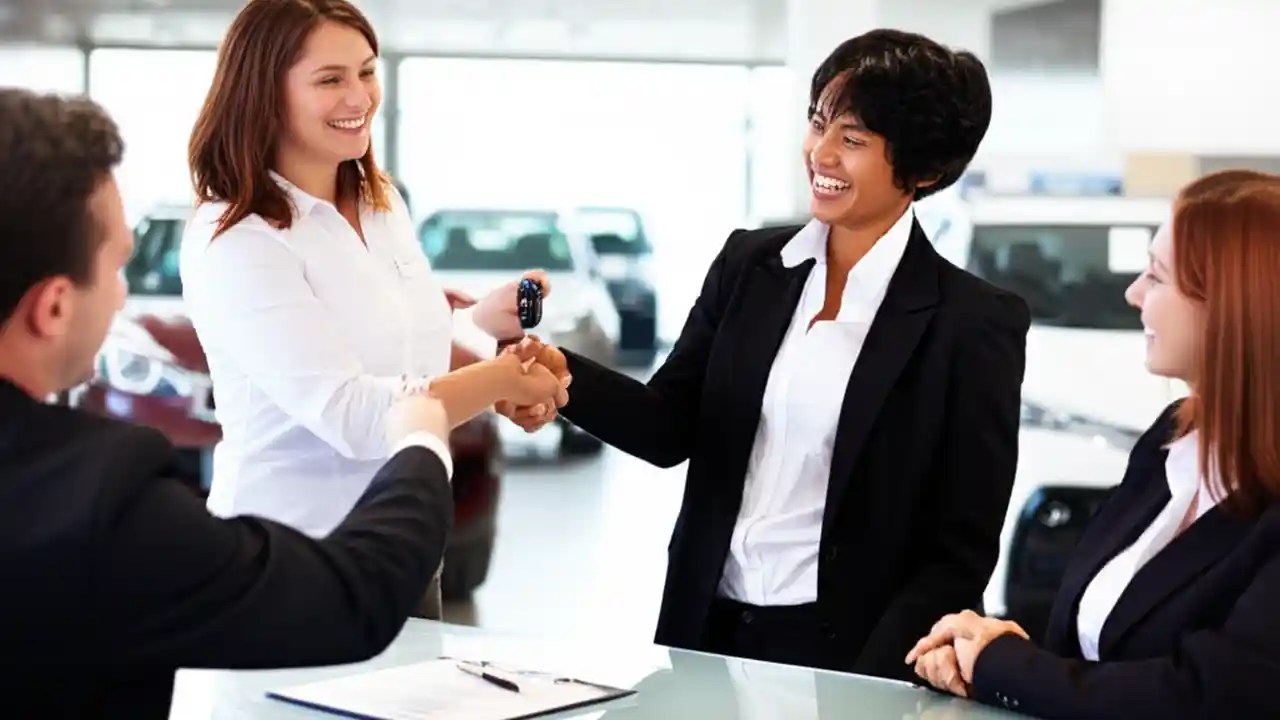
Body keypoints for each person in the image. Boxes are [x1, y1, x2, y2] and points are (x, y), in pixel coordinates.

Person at [502, 29, 1030, 681]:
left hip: (852, 655)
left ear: (922, 171)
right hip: (707, 630)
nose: (821, 154)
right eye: (818, 124)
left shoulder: (972, 323)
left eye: (854, 139)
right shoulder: (751, 265)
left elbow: (960, 551)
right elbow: (670, 423)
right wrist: (564, 377)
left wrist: (865, 689)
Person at [0, 87, 468, 718]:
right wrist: (419, 437)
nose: (120, 299)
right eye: (116, 270)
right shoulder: (93, 502)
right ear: (53, 306)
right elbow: (353, 599)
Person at [180, 0, 566, 616]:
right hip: (297, 564)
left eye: (367, 71)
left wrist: (481, 331)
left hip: (407, 551)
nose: (359, 96)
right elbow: (353, 415)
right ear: (263, 93)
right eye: (330, 79)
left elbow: (408, 358)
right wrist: (499, 383)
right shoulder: (237, 239)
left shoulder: (381, 204)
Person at [907, 170, 1280, 719]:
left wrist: (1003, 665)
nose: (1133, 293)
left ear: (1229, 309)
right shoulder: (1169, 442)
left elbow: (1206, 696)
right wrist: (991, 651)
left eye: (1156, 276)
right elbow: (1100, 648)